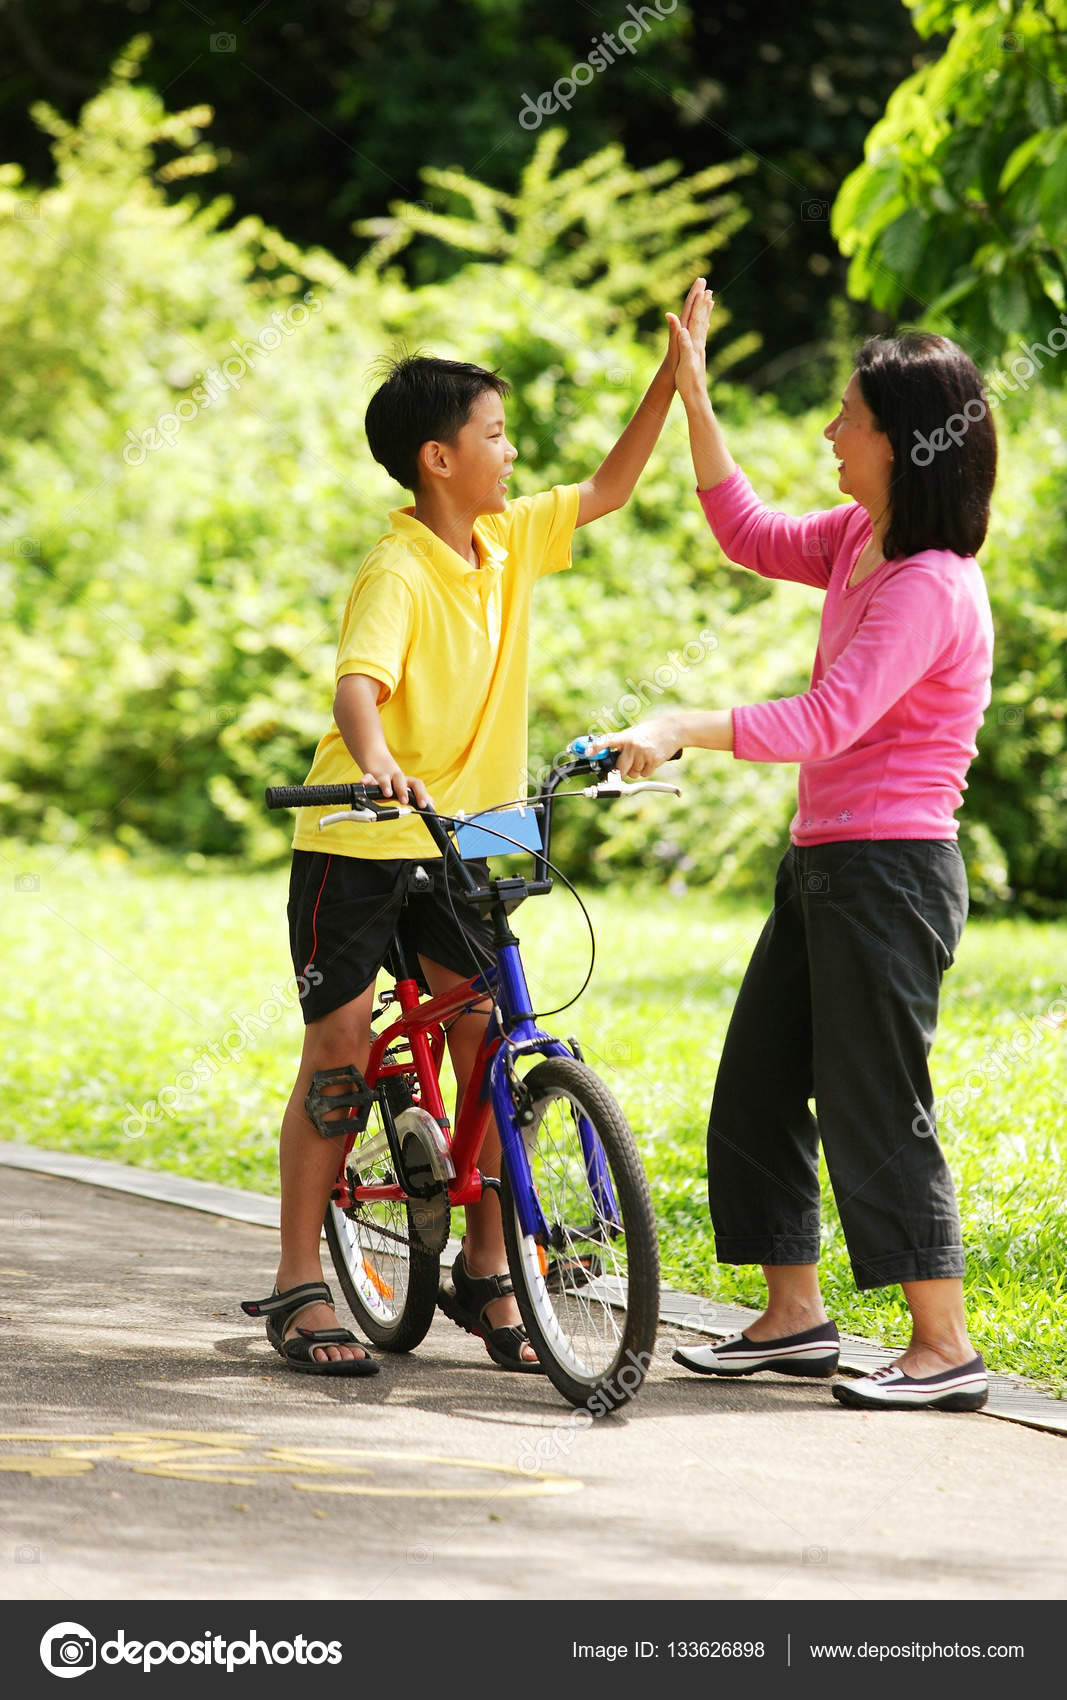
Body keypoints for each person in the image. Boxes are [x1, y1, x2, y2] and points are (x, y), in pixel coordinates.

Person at [243, 284, 706, 1375]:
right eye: (493, 435)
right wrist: (375, 766)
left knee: (488, 1040)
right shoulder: (396, 568)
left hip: (470, 837)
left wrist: (671, 375)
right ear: (435, 459)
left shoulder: (507, 539)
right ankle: (297, 1282)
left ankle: (488, 1264)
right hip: (360, 841)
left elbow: (608, 485)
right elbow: (360, 684)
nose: (510, 452)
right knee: (341, 1053)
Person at [594, 286, 996, 1412]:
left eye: (846, 414)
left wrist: (680, 723)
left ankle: (940, 1342)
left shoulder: (927, 585)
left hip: (887, 873)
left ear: (904, 443)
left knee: (876, 1101)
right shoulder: (863, 543)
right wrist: (689, 391)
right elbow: (744, 529)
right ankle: (791, 1317)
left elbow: (827, 720)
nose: (827, 430)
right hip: (826, 861)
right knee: (758, 1084)